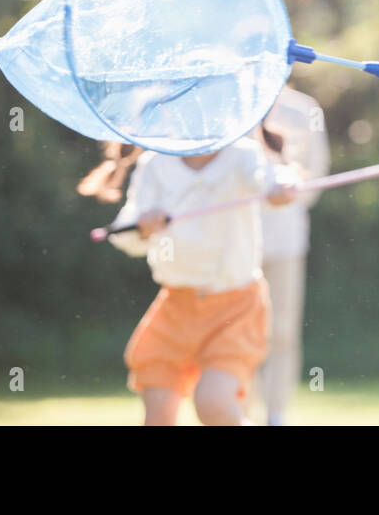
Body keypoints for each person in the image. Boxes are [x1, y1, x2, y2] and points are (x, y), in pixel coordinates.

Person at [106, 138, 300, 425]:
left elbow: (268, 180)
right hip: (175, 307)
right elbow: (126, 232)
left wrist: (281, 188)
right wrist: (144, 228)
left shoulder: (242, 155)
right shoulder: (155, 165)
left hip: (236, 306)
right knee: (158, 414)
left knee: (214, 404)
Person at [246, 86, 329, 426]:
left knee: (281, 330)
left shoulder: (304, 108)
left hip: (285, 240)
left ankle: (276, 412)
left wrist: (287, 200)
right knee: (235, 327)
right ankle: (239, 409)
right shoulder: (231, 101)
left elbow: (317, 172)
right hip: (235, 241)